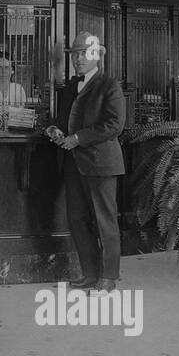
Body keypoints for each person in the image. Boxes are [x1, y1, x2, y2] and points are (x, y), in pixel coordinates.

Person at [45, 31, 125, 292]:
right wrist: (55, 129)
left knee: (104, 220)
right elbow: (64, 119)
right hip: (74, 164)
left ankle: (109, 277)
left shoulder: (110, 85)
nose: (78, 59)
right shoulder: (70, 86)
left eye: (84, 53)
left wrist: (78, 138)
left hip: (101, 164)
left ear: (97, 56)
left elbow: (114, 125)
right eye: (75, 54)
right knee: (78, 220)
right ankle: (90, 275)